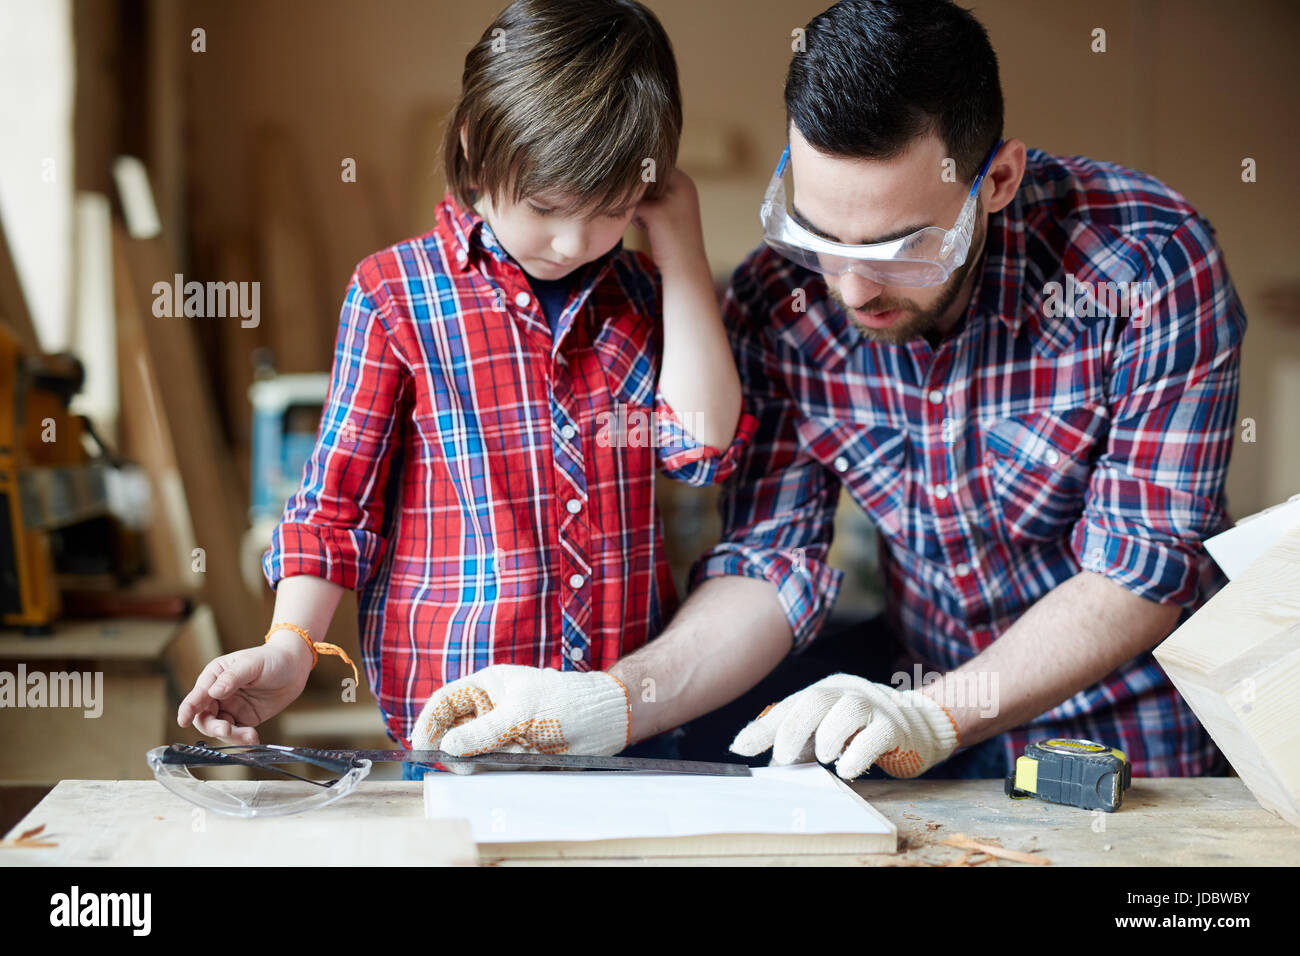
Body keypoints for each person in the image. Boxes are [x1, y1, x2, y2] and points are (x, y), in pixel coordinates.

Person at [429, 0, 1245, 782]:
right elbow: (768, 563)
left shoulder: (1146, 264)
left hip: (1134, 737)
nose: (849, 290)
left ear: (995, 180)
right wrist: (609, 703)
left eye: (897, 247)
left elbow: (1143, 564)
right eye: (818, 235)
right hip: (918, 727)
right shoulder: (776, 303)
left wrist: (937, 715)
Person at [176, 0, 756, 780]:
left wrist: (680, 242)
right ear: (477, 154)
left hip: (617, 724)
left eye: (611, 211)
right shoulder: (395, 296)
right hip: (454, 734)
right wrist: (290, 647)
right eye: (546, 207)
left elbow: (700, 444)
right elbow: (335, 507)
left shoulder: (644, 293)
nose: (573, 241)